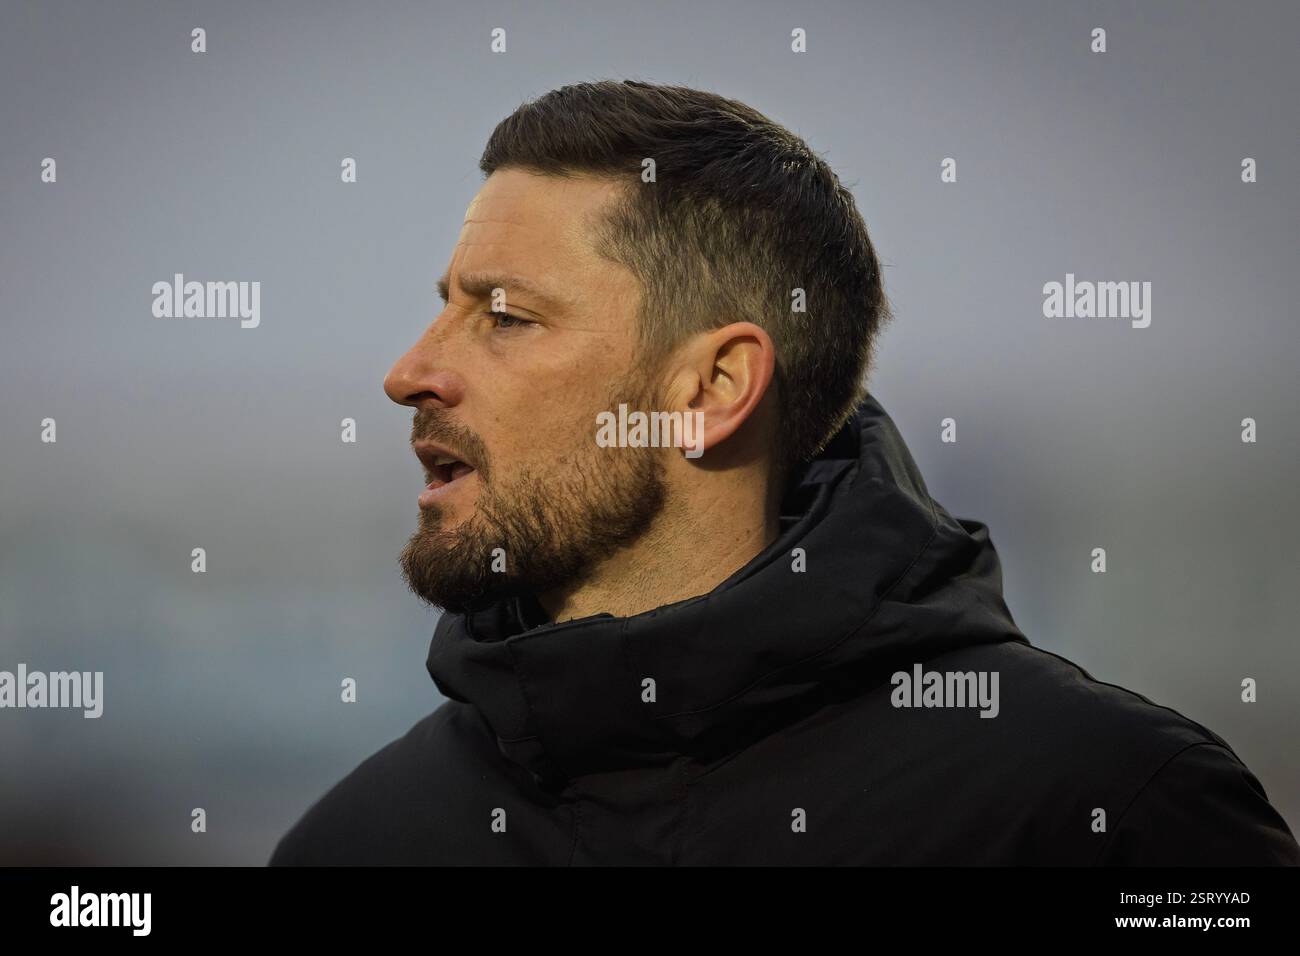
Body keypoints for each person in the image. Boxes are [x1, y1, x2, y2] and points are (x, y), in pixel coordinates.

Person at [270, 80, 1300, 865]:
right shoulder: (361, 841)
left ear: (714, 386)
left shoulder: (1107, 808)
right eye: (445, 304)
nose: (410, 372)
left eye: (504, 315)